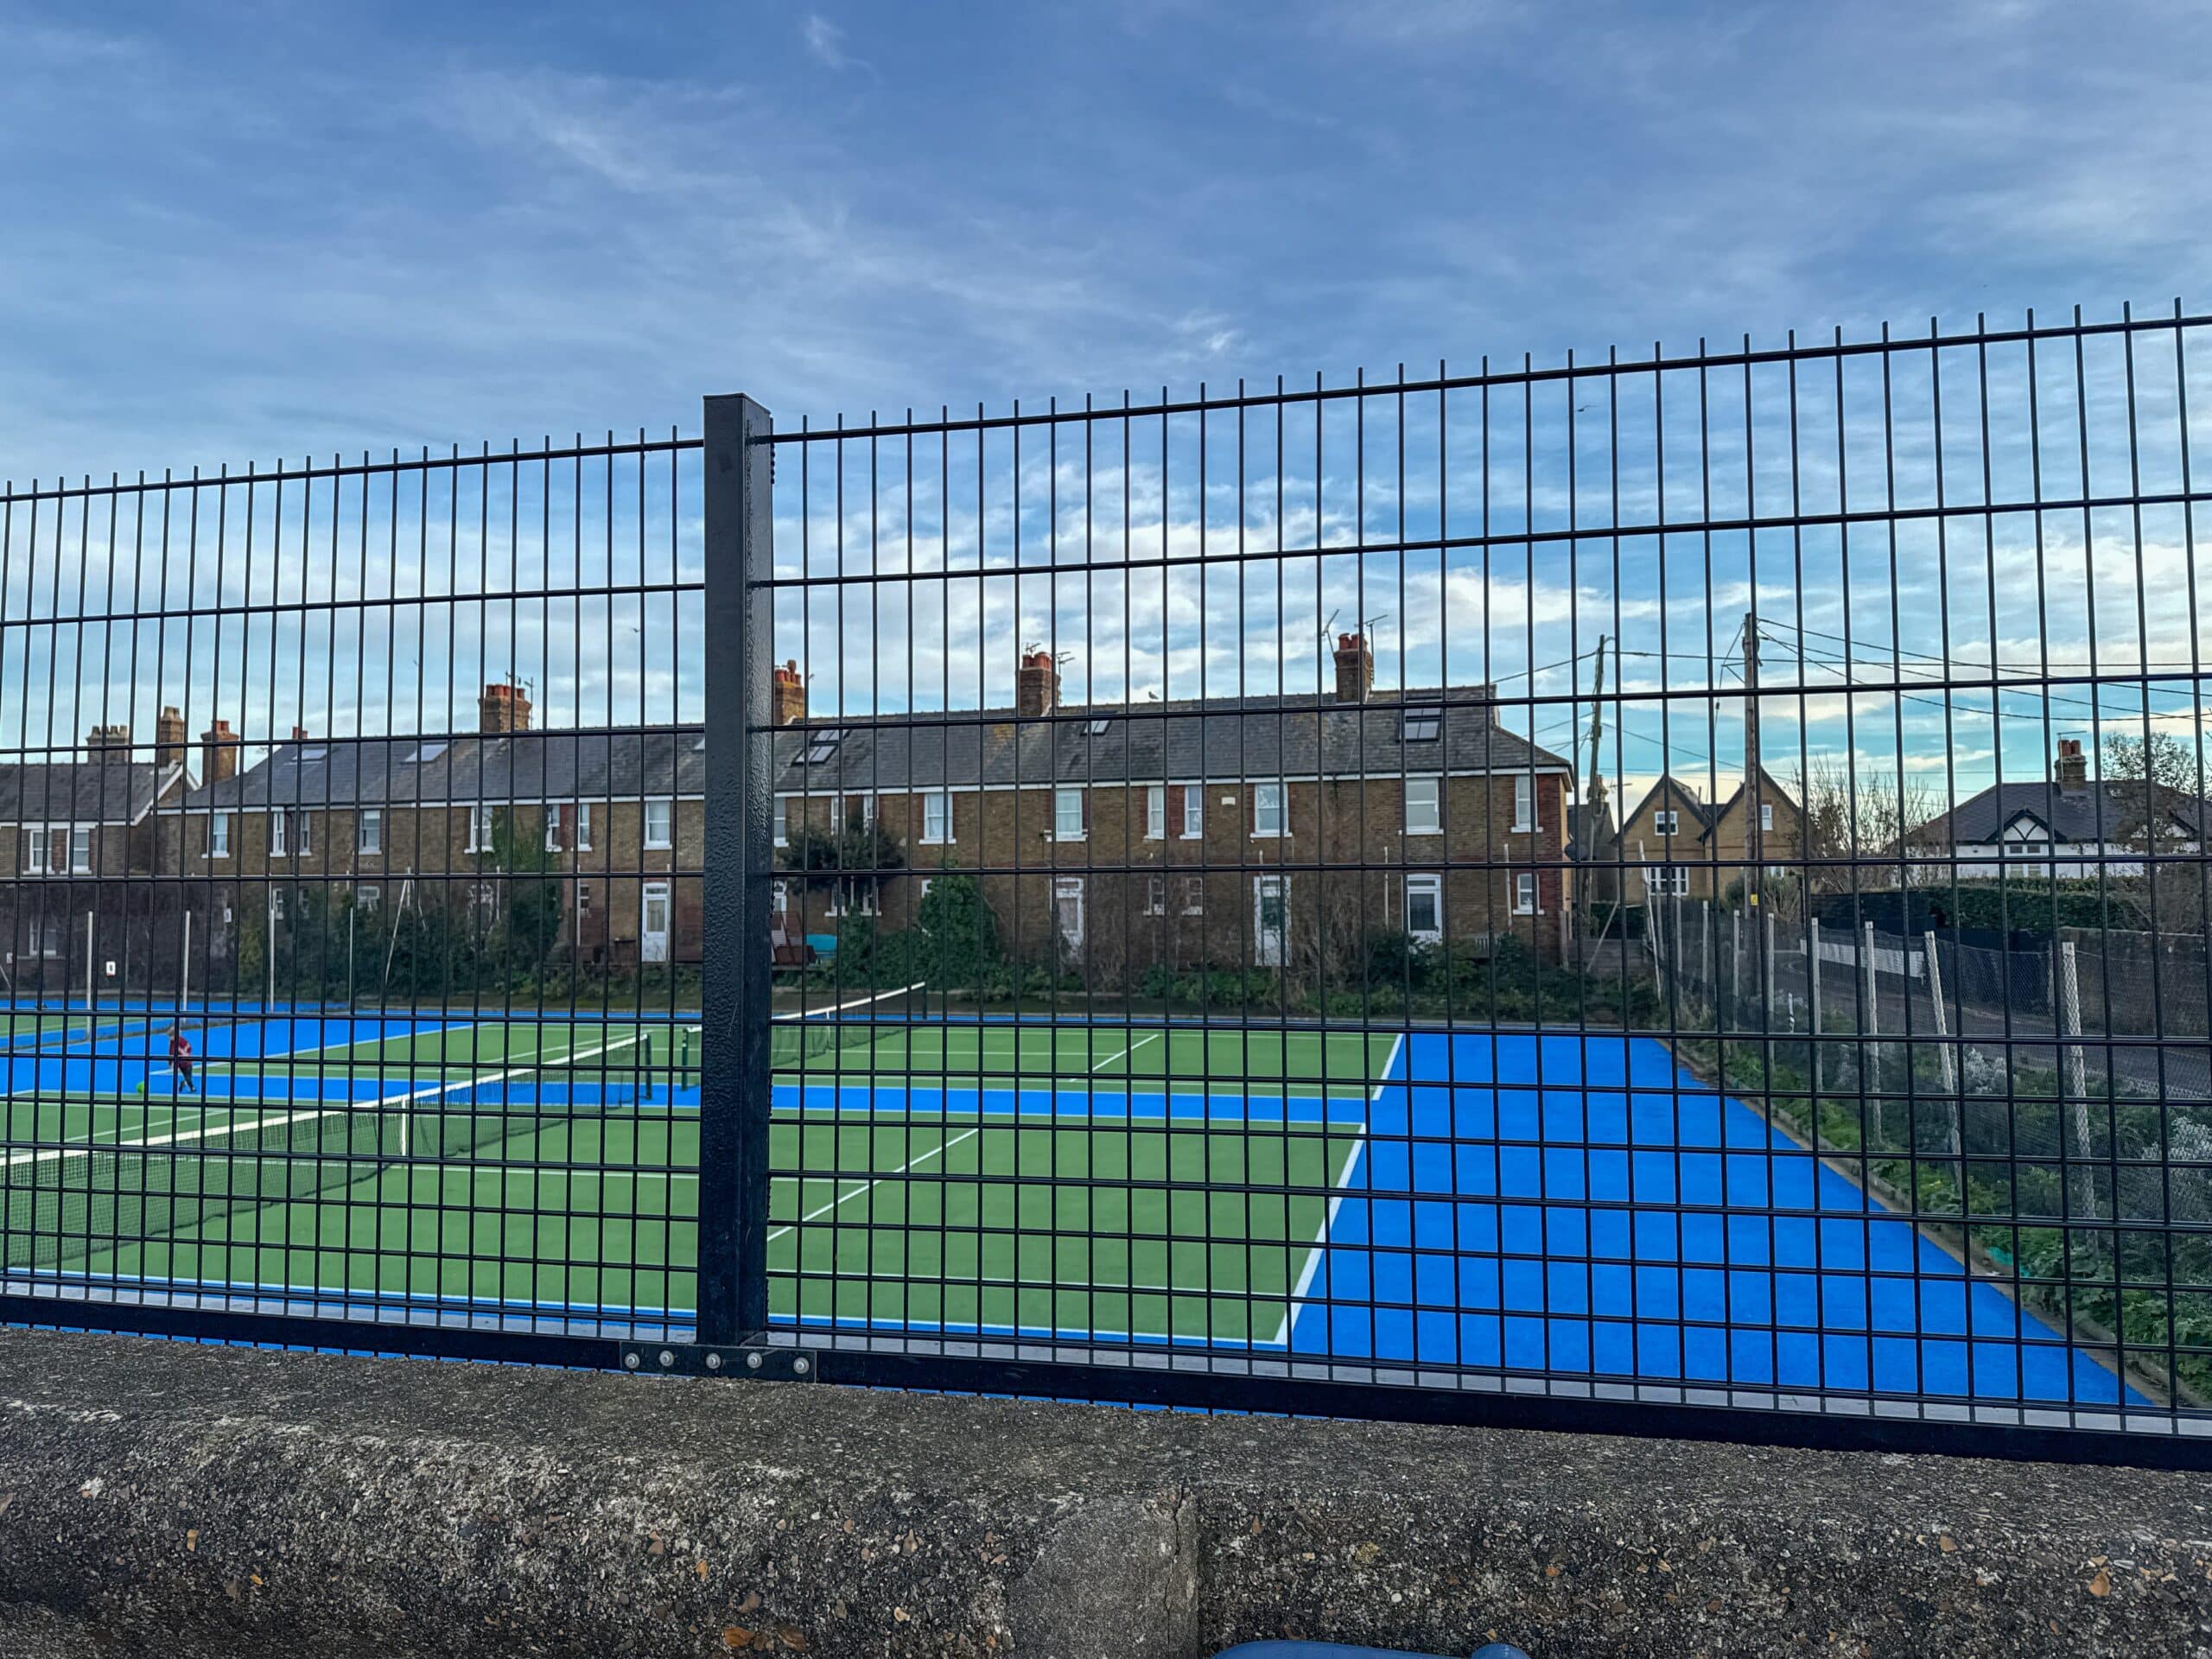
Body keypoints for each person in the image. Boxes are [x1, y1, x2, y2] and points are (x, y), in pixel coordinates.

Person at [168, 1020, 196, 1095]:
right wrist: (171, 1063)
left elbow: (188, 1047)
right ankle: (188, 1085)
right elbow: (171, 1053)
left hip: (187, 1062)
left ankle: (191, 1087)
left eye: (171, 1036)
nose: (170, 1038)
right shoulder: (172, 1043)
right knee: (187, 1076)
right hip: (180, 1063)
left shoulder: (181, 1041)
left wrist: (185, 1053)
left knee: (188, 1077)